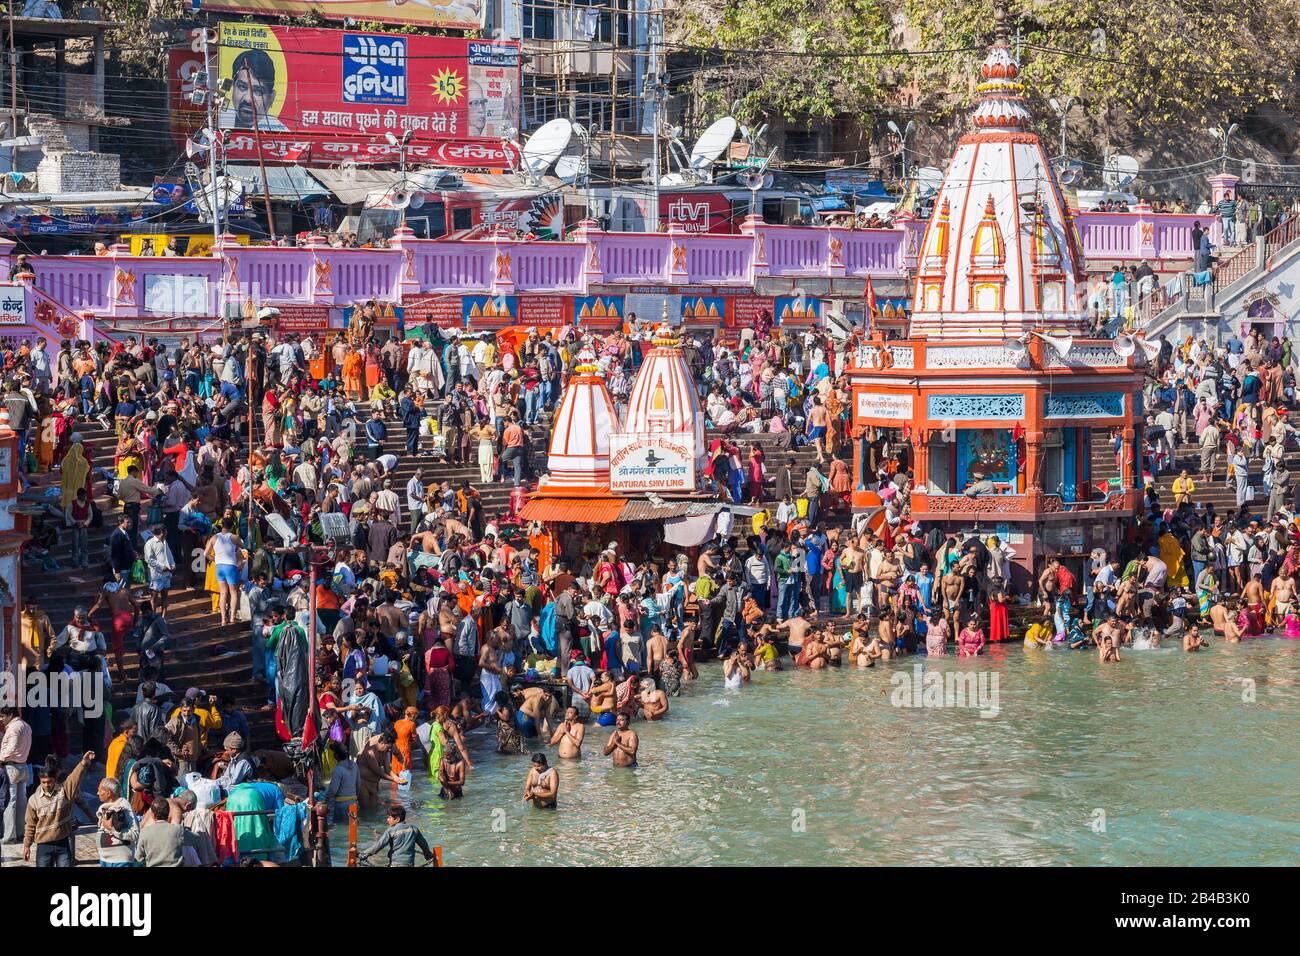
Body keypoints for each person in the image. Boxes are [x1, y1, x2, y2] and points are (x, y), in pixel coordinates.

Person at [22, 752, 94, 866]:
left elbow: (74, 778)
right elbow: (30, 825)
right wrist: (27, 846)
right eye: (43, 782)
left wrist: (83, 763)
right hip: (43, 846)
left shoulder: (64, 791)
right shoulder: (34, 800)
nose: (46, 785)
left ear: (55, 779)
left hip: (63, 843)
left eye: (49, 782)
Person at [359, 804, 434, 867]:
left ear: (397, 819)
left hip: (395, 864)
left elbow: (379, 845)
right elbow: (423, 844)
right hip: (410, 864)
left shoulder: (391, 831)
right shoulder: (414, 829)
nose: (387, 820)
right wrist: (428, 855)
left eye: (389, 817)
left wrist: (364, 853)